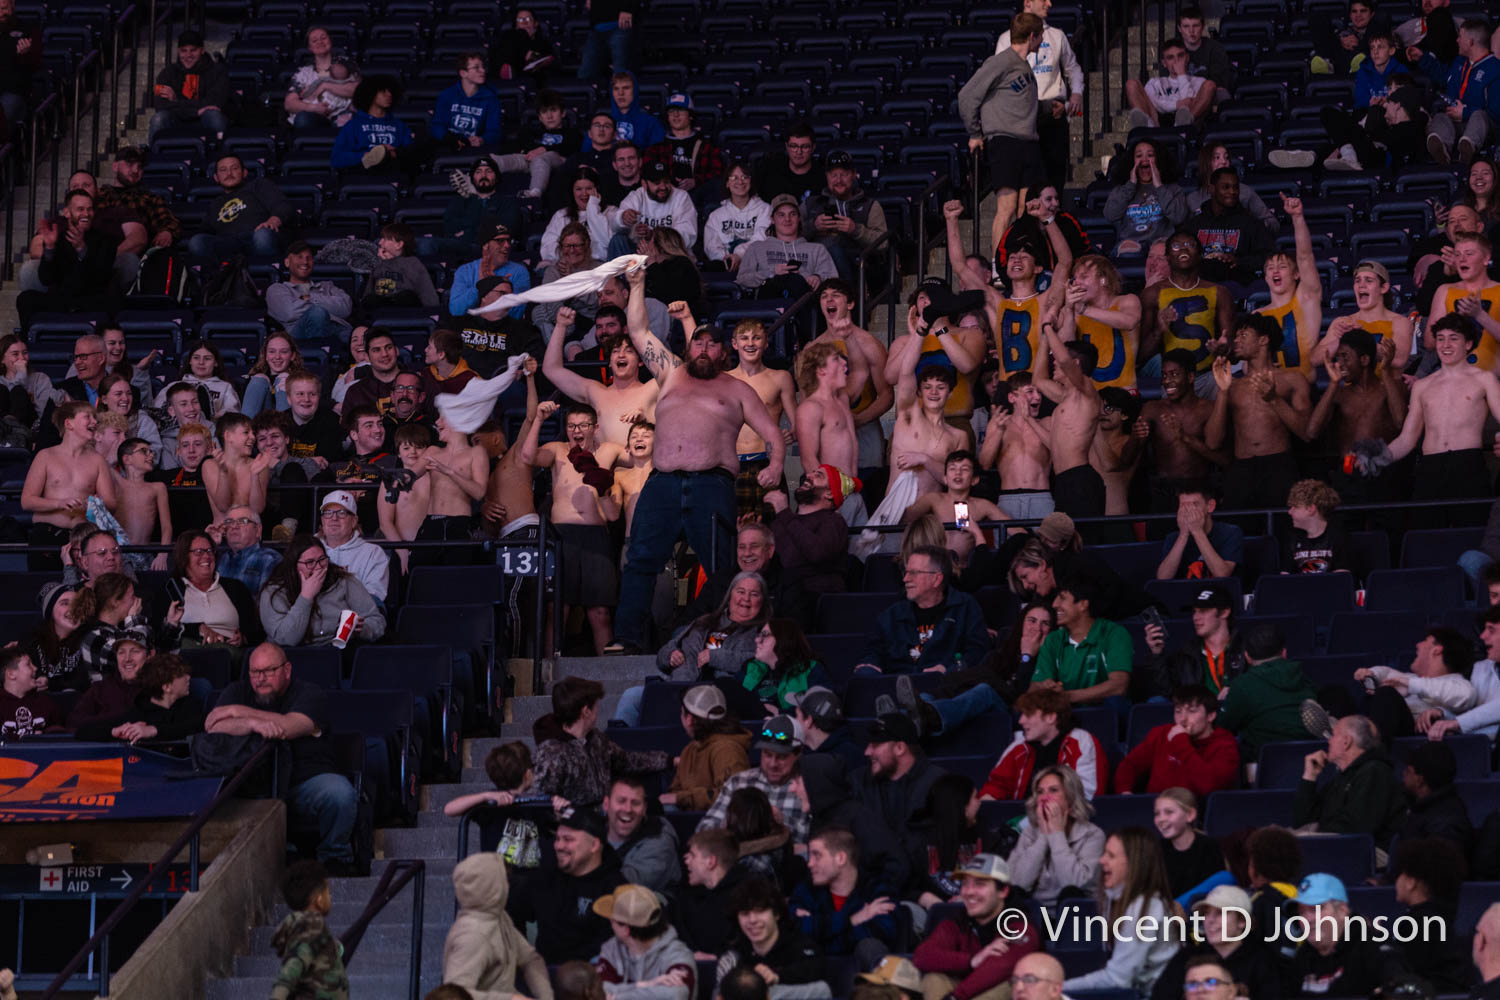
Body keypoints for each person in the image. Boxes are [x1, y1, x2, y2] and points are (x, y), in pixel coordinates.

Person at [610, 270, 785, 654]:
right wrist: (638, 284)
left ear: (723, 352)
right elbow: (639, 331)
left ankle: (727, 634)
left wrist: (774, 466)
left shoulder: (737, 389)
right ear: (689, 348)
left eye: (712, 345)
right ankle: (627, 638)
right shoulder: (671, 375)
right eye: (698, 343)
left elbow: (772, 435)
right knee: (640, 560)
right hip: (663, 483)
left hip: (712, 483)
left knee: (721, 564)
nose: (704, 349)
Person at [207, 643, 359, 871]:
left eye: (269, 671)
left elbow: (288, 727)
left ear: (287, 670)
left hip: (304, 780)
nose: (260, 678)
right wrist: (253, 724)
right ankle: (277, 858)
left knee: (340, 793)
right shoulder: (236, 691)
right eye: (255, 672)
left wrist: (238, 713)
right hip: (254, 784)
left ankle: (334, 857)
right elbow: (212, 725)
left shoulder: (310, 693)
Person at [1205, 314, 1312, 513]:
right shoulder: (1232, 385)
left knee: (1282, 532)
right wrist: (1222, 391)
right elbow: (1212, 442)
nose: (1236, 340)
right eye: (1235, 336)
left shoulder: (1293, 379)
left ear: (1263, 340)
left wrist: (1273, 398)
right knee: (1240, 535)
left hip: (1279, 467)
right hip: (1241, 469)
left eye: (1243, 335)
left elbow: (1306, 433)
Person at [1061, 827, 1183, 996]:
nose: (1101, 860)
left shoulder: (1144, 908)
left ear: (1134, 863)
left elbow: (1117, 979)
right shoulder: (1118, 899)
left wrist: (1058, 988)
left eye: (1111, 855)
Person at [958, 13, 1044, 251]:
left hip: (1028, 143)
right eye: (1041, 35)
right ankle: (998, 265)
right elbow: (966, 97)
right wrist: (975, 133)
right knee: (1006, 208)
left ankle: (1021, 260)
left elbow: (1019, 102)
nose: (1043, 40)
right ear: (1032, 36)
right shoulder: (1000, 62)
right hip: (1005, 143)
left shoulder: (1024, 66)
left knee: (1026, 209)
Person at [509, 805, 626, 962]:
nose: (558, 846)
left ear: (594, 845)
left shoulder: (616, 890)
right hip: (542, 977)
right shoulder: (547, 876)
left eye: (568, 840)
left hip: (590, 980)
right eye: (557, 839)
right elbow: (509, 907)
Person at [532, 677, 668, 806]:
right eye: (596, 706)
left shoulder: (596, 739)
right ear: (586, 711)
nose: (598, 711)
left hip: (604, 816)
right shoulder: (551, 753)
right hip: (573, 823)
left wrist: (668, 760)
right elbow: (540, 798)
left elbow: (626, 760)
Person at [856, 546, 990, 675]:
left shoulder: (964, 607)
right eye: (906, 572)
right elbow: (874, 651)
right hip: (898, 685)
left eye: (913, 573)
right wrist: (870, 664)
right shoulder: (892, 615)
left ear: (937, 579)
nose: (905, 579)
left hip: (946, 686)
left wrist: (950, 669)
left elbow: (977, 652)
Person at [443, 851, 554, 1000]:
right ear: (493, 887)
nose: (509, 885)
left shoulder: (499, 917)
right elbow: (452, 996)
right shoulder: (473, 936)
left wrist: (546, 996)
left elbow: (530, 959)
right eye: (505, 879)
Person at [789, 827, 901, 972]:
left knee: (869, 946)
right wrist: (852, 919)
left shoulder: (877, 887)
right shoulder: (805, 890)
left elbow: (883, 931)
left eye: (817, 856)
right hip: (816, 973)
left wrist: (822, 937)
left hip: (866, 976)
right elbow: (795, 932)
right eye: (809, 856)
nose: (809, 863)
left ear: (841, 858)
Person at [21, 402, 117, 569]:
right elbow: (27, 501)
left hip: (85, 537)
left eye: (94, 418)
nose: (94, 422)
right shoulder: (45, 456)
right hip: (47, 534)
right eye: (87, 417)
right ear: (68, 423)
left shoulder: (97, 460)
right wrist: (58, 503)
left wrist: (93, 504)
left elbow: (111, 503)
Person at [1293, 714, 1407, 852]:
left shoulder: (1375, 772)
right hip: (1339, 845)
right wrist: (1309, 776)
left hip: (1366, 851)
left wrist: (1315, 833)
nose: (1329, 741)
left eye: (1333, 735)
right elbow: (1303, 822)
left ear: (1346, 742)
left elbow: (1356, 828)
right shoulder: (1343, 776)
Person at [1282, 873, 1402, 997]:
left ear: (1342, 911)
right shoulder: (1303, 957)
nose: (1308, 919)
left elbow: (1403, 987)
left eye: (1317, 909)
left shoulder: (1373, 948)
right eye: (1301, 912)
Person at [15, 189, 122, 328]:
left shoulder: (105, 240)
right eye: (80, 209)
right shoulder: (57, 238)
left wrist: (82, 249)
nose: (86, 214)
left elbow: (101, 277)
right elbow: (46, 279)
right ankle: (28, 346)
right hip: (61, 301)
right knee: (25, 299)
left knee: (114, 299)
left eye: (89, 209)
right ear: (67, 213)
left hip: (91, 300)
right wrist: (49, 249)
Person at [981, 687, 1109, 800]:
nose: (1021, 721)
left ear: (1050, 717)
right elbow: (997, 785)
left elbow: (1087, 795)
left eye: (1028, 714)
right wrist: (987, 800)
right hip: (1022, 822)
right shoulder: (1019, 746)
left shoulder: (1081, 742)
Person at [699, 715, 810, 844]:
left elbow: (824, 838)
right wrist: (737, 823)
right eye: (767, 754)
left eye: (782, 757)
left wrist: (782, 821)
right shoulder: (739, 782)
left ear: (799, 753)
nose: (773, 764)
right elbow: (704, 829)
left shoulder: (808, 785)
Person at [258, 535, 385, 647]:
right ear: (294, 566)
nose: (318, 568)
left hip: (338, 651)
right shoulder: (274, 592)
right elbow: (286, 639)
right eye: (310, 562)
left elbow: (377, 621)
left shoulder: (343, 581)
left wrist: (362, 630)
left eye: (322, 560)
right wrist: (306, 597)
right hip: (293, 655)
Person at [1114, 685, 1240, 798]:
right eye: (1178, 711)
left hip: (1198, 813)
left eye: (1192, 711)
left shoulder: (1225, 744)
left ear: (1211, 716)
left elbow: (1209, 786)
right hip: (1156, 811)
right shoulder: (1161, 734)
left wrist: (1180, 742)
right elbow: (1129, 765)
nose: (1183, 719)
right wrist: (1125, 792)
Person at [712, 877, 828, 998]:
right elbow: (718, 995)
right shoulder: (734, 954)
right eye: (745, 913)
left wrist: (777, 976)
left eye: (760, 911)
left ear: (776, 914)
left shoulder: (801, 948)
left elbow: (823, 989)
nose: (752, 920)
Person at [1007, 765, 1105, 905]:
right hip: (1035, 916)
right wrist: (1043, 836)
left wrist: (1057, 834)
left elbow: (1077, 885)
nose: (1044, 798)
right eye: (1040, 792)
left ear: (1070, 798)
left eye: (1053, 790)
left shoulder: (1093, 835)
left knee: (1071, 894)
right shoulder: (1030, 832)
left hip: (1075, 917)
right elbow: (1017, 883)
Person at [1028, 575, 1131, 706]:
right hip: (1061, 715)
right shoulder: (1053, 639)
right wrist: (1045, 689)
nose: (1054, 604)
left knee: (1115, 702)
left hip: (1103, 714)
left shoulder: (1114, 633)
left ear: (1083, 604)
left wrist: (1066, 696)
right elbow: (1034, 688)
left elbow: (1118, 686)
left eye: (1062, 598)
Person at [1256, 195, 1324, 380]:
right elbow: (1248, 368)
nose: (1275, 271)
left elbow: (1305, 257)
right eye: (1270, 268)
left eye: (1283, 266)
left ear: (1296, 274)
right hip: (1270, 394)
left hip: (1306, 393)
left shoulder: (1306, 300)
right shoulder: (1257, 317)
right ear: (1266, 277)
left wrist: (1297, 217)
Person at [1417, 18, 1500, 165]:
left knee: (1478, 116)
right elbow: (1444, 77)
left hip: (1485, 128)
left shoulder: (1495, 69)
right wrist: (1422, 58)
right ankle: (1441, 150)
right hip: (1456, 124)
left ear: (1471, 42)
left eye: (1460, 37)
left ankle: (1467, 148)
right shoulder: (1459, 62)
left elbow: (1496, 112)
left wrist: (1466, 112)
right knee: (1441, 117)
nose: (1457, 40)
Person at [594, 883, 697, 1000]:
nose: (611, 924)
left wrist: (617, 997)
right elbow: (597, 992)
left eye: (612, 920)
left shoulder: (677, 954)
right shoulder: (611, 948)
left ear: (625, 930)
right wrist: (647, 985)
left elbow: (676, 995)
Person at [800, 151, 888, 283]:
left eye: (844, 174)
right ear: (827, 176)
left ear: (853, 175)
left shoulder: (869, 205)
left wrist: (856, 230)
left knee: (835, 250)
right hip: (813, 265)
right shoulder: (811, 204)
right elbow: (788, 238)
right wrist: (813, 226)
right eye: (833, 175)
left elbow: (883, 243)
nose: (839, 180)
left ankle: (846, 295)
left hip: (856, 266)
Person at [269, 861, 349, 1000]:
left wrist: (332, 948)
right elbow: (293, 966)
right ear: (319, 900)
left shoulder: (302, 928)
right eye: (328, 893)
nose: (329, 897)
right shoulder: (312, 924)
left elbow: (307, 952)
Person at [662, 685, 750, 811]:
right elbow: (675, 791)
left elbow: (734, 798)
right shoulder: (689, 750)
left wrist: (682, 798)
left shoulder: (727, 750)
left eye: (681, 713)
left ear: (689, 719)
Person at [188, 155, 290, 262]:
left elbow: (283, 205)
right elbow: (204, 231)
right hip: (227, 244)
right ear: (216, 178)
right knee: (196, 242)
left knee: (263, 235)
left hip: (255, 237)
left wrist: (273, 220)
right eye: (223, 170)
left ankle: (266, 270)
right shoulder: (215, 204)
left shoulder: (258, 186)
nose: (229, 173)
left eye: (234, 168)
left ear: (244, 173)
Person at [1184, 169, 1275, 286]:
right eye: (1226, 187)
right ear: (1212, 189)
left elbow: (1268, 256)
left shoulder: (1250, 223)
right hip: (1199, 287)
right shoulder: (1194, 224)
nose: (1232, 191)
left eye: (1235, 187)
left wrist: (1239, 261)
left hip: (1238, 288)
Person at [674, 829, 752, 959]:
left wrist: (718, 958)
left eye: (692, 855)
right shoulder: (686, 897)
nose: (686, 861)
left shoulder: (748, 896)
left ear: (711, 862)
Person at [605, 775, 682, 894]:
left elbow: (624, 888)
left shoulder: (660, 841)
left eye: (635, 803)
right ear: (606, 804)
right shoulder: (592, 831)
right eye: (621, 801)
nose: (628, 809)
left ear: (644, 808)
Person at [150, 30, 229, 138]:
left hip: (205, 119)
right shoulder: (167, 73)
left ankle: (221, 154)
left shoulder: (218, 71)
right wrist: (195, 111)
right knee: (159, 118)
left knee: (214, 115)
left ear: (202, 50)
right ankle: (155, 154)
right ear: (178, 51)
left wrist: (176, 101)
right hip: (177, 118)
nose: (188, 55)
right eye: (184, 51)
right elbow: (160, 105)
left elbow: (214, 103)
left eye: (193, 50)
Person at [1155, 486, 1243, 580]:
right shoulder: (1173, 538)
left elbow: (1222, 574)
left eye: (1195, 504)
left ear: (1210, 506)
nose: (1189, 511)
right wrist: (1183, 535)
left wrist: (1197, 532)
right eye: (1183, 506)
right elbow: (1162, 578)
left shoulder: (1230, 532)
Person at [1125, 36, 1212, 129]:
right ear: (1164, 63)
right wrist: (1177, 104)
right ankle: (1147, 129)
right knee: (1131, 84)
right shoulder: (1155, 82)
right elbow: (1154, 102)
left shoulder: (1199, 81)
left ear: (1187, 58)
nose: (1176, 61)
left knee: (1210, 86)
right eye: (1170, 57)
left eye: (1180, 56)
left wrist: (1181, 75)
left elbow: (1189, 104)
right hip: (1156, 122)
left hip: (1188, 123)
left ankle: (1182, 129)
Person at [283, 26, 358, 128]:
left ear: (330, 40)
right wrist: (313, 108)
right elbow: (289, 103)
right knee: (303, 119)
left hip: (342, 112)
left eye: (323, 38)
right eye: (314, 40)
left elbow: (359, 90)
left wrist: (326, 86)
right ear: (309, 47)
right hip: (315, 115)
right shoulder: (304, 72)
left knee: (350, 121)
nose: (320, 42)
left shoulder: (345, 64)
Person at [705, 164, 771, 270]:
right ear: (727, 183)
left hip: (756, 265)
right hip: (725, 267)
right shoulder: (716, 215)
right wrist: (729, 260)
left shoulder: (765, 209)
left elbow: (762, 239)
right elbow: (711, 247)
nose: (740, 182)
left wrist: (740, 255)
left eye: (745, 177)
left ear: (751, 181)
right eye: (734, 177)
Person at [754, 126, 827, 204]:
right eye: (794, 146)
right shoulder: (769, 170)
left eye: (805, 147)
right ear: (786, 146)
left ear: (813, 147)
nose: (799, 152)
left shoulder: (822, 177)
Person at [0, 647, 59, 737]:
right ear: (11, 674)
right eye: (28, 664)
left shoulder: (45, 702)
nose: (35, 668)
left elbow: (59, 737)